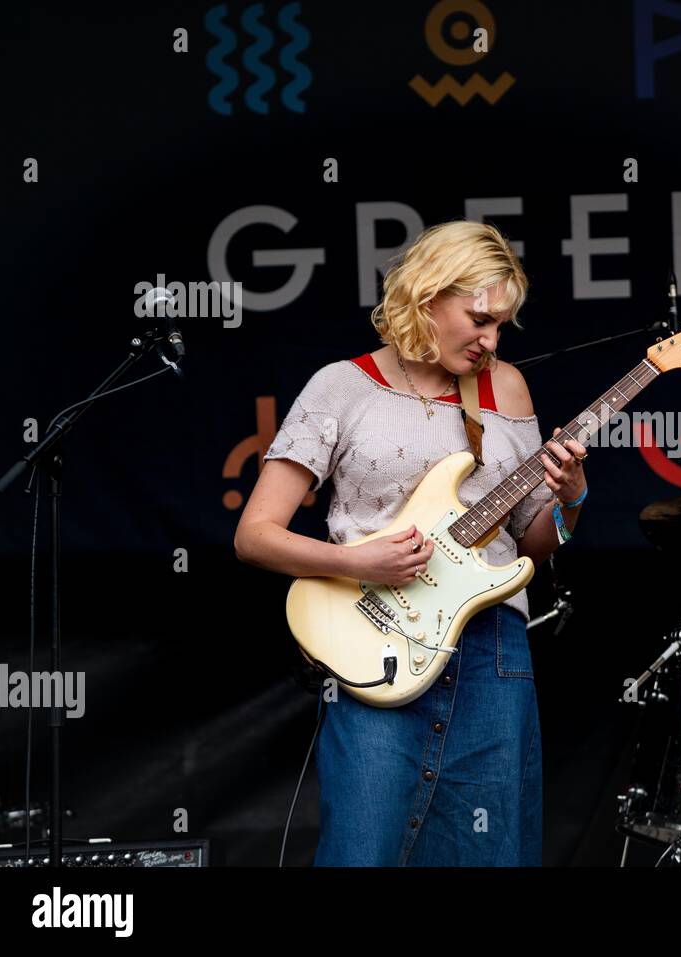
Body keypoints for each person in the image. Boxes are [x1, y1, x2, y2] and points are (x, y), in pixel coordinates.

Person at [233, 221, 588, 866]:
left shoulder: (505, 387)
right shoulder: (342, 386)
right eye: (479, 318)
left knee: (489, 853)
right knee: (363, 851)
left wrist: (570, 499)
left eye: (502, 326)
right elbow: (255, 536)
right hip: (376, 645)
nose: (491, 340)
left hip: (491, 650)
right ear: (427, 297)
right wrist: (355, 560)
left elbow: (532, 543)